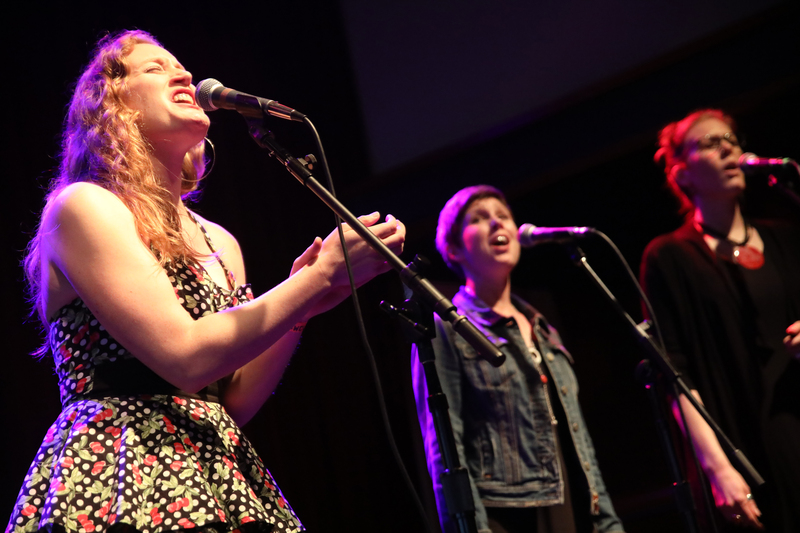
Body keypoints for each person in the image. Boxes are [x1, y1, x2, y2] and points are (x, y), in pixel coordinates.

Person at [6, 30, 405, 533]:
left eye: (182, 67)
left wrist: (305, 301)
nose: (185, 75)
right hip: (117, 468)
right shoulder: (86, 206)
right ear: (112, 104)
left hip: (213, 466)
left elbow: (231, 398)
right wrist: (317, 278)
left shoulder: (219, 241)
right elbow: (185, 357)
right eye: (155, 68)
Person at [411, 185, 624, 533]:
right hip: (504, 515)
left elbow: (578, 438)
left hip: (568, 502)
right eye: (479, 219)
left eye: (503, 216)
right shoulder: (448, 329)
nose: (496, 224)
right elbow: (445, 450)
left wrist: (607, 521)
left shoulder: (542, 328)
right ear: (453, 248)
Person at [640, 109, 800, 532]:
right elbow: (675, 374)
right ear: (682, 173)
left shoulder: (786, 237)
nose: (728, 147)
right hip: (747, 440)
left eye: (731, 138)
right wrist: (718, 469)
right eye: (710, 143)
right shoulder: (670, 256)